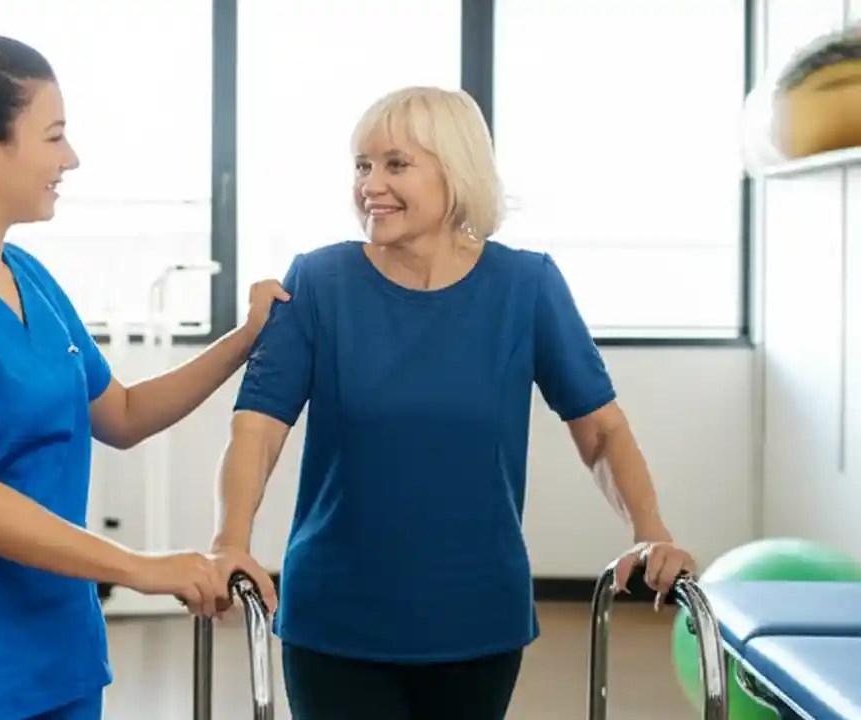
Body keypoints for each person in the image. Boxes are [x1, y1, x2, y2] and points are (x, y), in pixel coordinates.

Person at [209, 86, 699, 719]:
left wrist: (649, 531)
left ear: (455, 171)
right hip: (336, 616)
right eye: (362, 165)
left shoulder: (527, 287)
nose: (370, 185)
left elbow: (600, 430)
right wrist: (231, 541)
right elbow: (258, 429)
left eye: (395, 164)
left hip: (476, 616)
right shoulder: (318, 281)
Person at [0, 36, 288, 720]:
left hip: (59, 651)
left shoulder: (30, 279)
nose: (69, 159)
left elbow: (126, 414)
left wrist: (244, 340)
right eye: (53, 136)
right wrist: (144, 568)